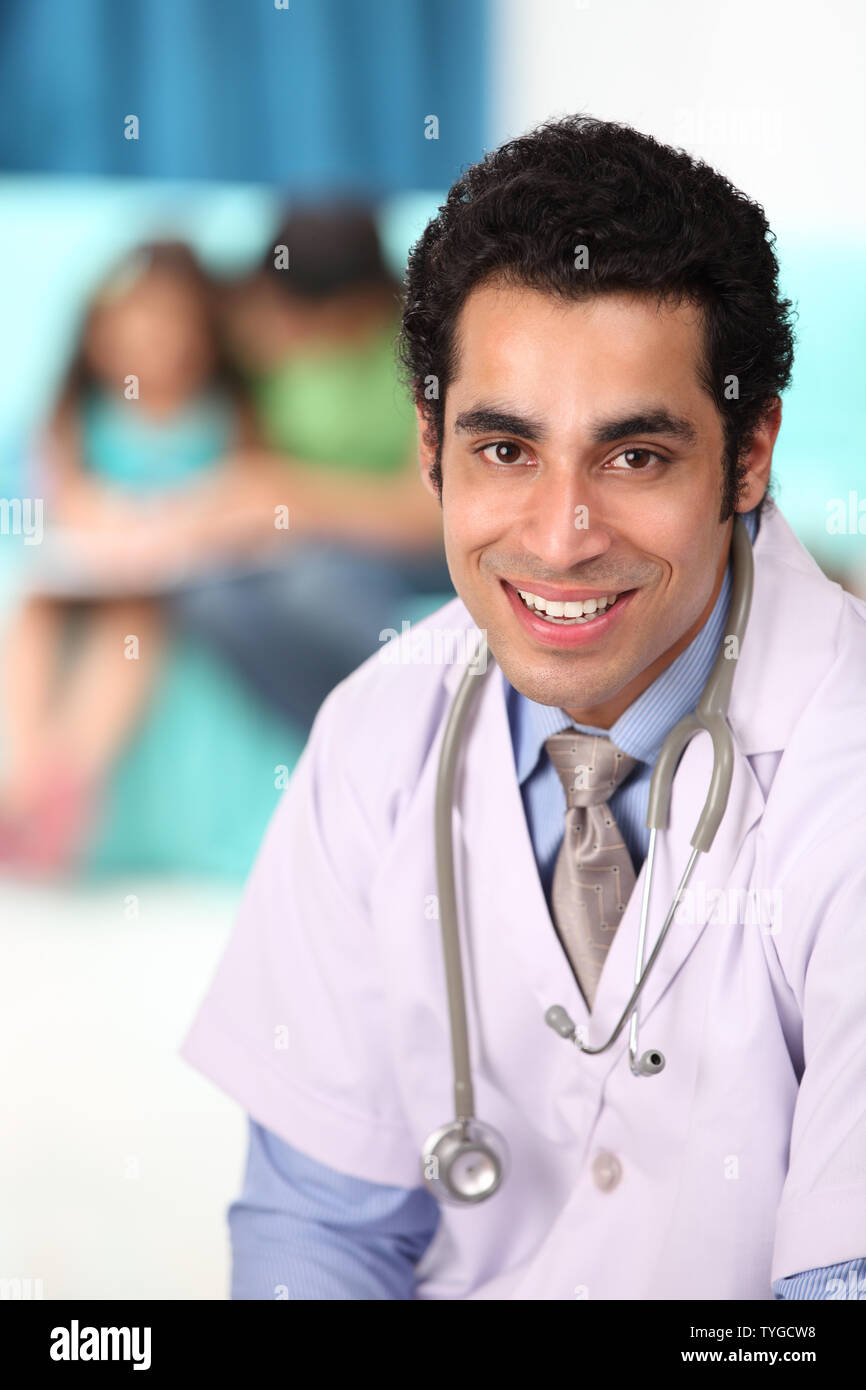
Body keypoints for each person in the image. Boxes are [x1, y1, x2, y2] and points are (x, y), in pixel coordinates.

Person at [180, 116, 866, 1300]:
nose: (559, 537)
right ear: (431, 447)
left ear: (748, 452)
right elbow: (320, 1233)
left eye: (633, 457)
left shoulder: (838, 766)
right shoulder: (372, 734)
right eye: (504, 450)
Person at [0, 241, 253, 873]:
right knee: (32, 609)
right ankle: (16, 781)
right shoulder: (77, 417)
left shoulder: (223, 417)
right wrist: (104, 523)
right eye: (133, 330)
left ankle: (65, 778)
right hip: (77, 576)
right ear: (97, 338)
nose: (153, 348)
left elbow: (237, 500)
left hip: (154, 584)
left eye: (173, 329)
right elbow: (63, 498)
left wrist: (170, 529)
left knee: (132, 624)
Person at [162, 201, 452, 732]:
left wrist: (295, 501)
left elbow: (433, 515)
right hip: (287, 540)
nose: (293, 332)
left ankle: (424, 723)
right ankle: (334, 736)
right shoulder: (253, 328)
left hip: (396, 544)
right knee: (208, 594)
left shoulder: (424, 348)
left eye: (316, 321)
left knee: (316, 585)